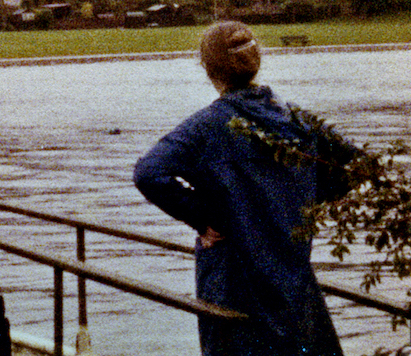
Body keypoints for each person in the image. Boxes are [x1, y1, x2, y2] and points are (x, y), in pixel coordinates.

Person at [133, 21, 356, 356]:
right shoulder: (298, 119)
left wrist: (203, 220)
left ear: (208, 69)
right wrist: (304, 202)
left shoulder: (208, 125)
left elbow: (149, 172)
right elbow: (355, 164)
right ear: (257, 60)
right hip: (292, 276)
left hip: (233, 280)